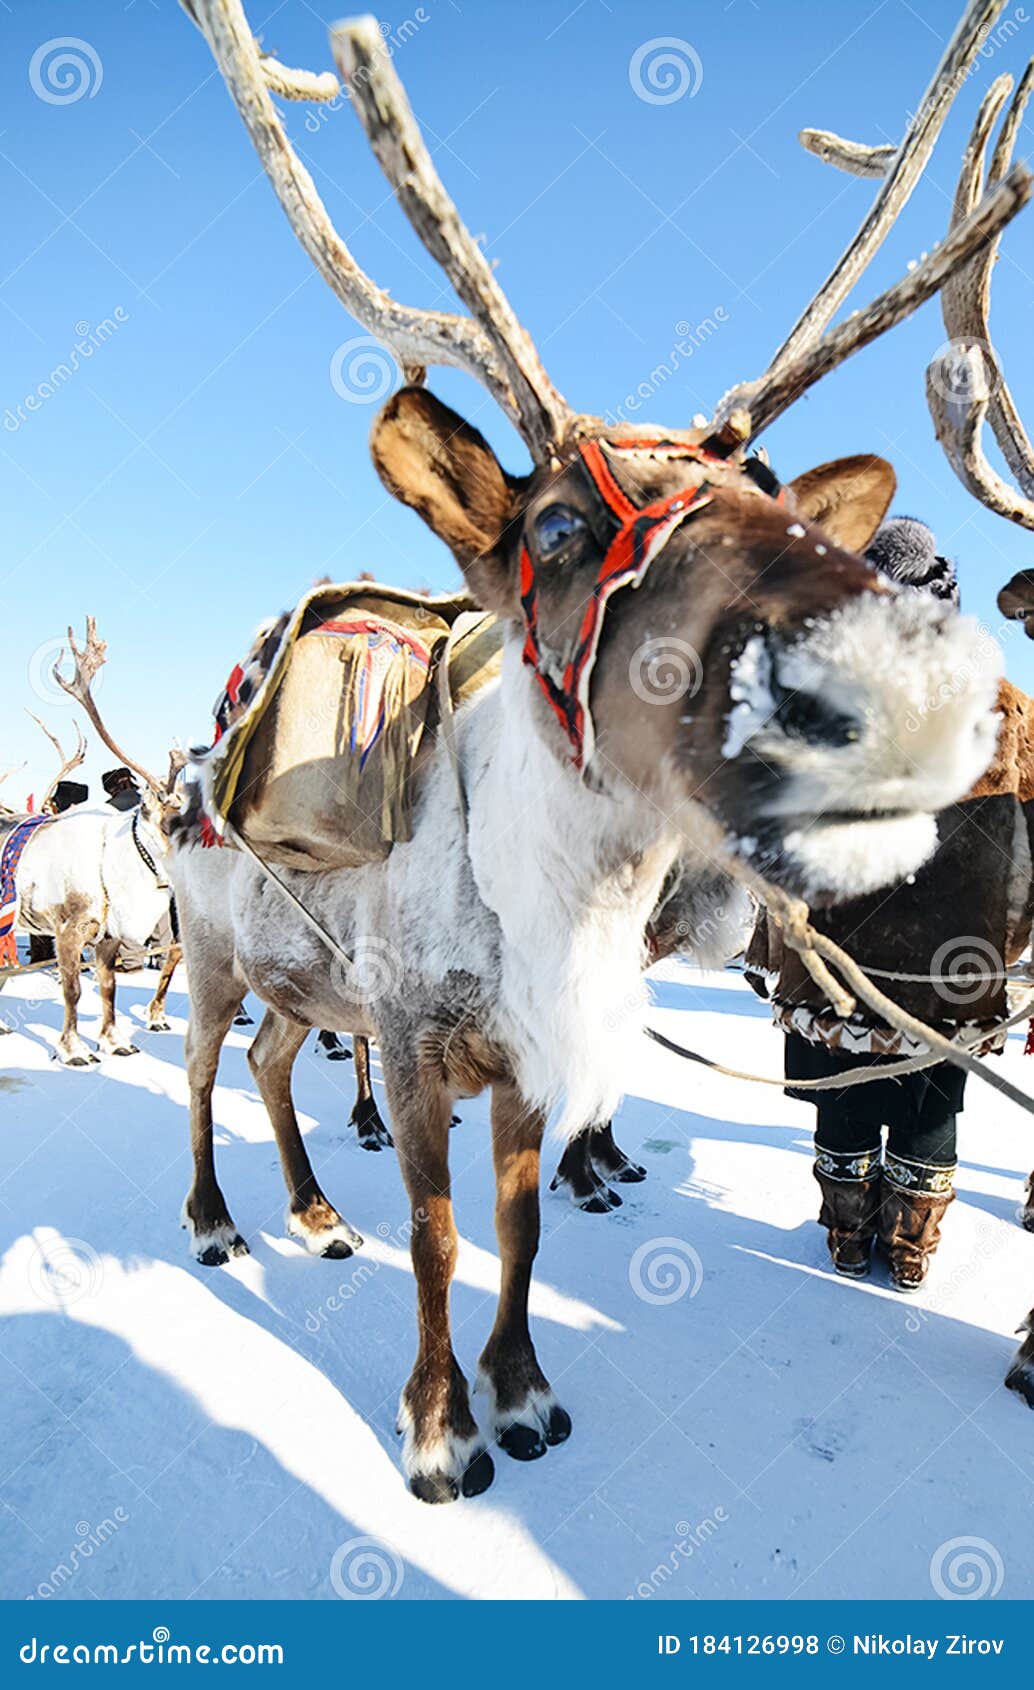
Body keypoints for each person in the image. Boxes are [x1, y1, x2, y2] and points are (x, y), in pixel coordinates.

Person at [746, 519, 1034, 1292]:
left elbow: (766, 838)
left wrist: (767, 946)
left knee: (844, 1103)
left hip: (838, 971)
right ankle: (911, 1248)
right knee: (929, 1110)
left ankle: (847, 1237)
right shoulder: (1008, 711)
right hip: (952, 977)